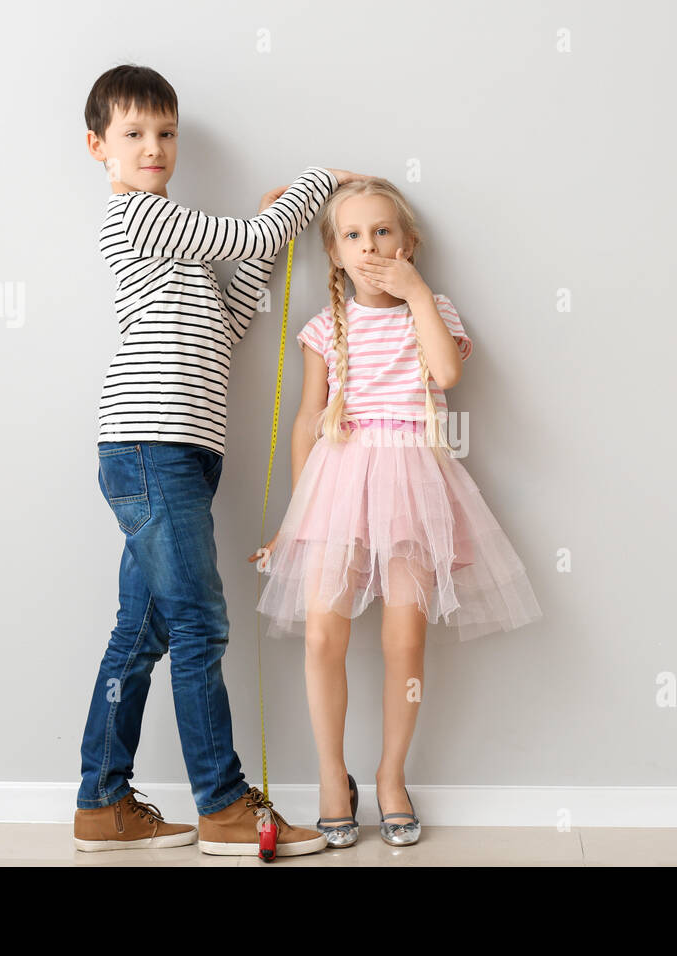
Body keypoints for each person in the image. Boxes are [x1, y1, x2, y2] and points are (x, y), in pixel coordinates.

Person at [72, 62, 367, 856]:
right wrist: (312, 186)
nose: (154, 147)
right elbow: (250, 236)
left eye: (165, 133)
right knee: (201, 624)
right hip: (147, 445)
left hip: (184, 452)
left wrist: (267, 242)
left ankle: (101, 804)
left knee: (143, 632)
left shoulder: (178, 244)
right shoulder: (138, 218)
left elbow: (234, 316)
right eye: (133, 134)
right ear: (98, 145)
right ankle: (224, 806)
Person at [247, 177, 543, 848]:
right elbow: (305, 425)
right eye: (352, 235)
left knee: (404, 640)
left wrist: (415, 294)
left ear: (407, 244)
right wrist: (298, 522)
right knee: (325, 636)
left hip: (410, 486)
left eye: (383, 232)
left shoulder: (430, 308)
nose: (370, 245)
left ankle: (390, 776)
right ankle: (330, 777)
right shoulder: (326, 328)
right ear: (334, 254)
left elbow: (445, 376)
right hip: (338, 485)